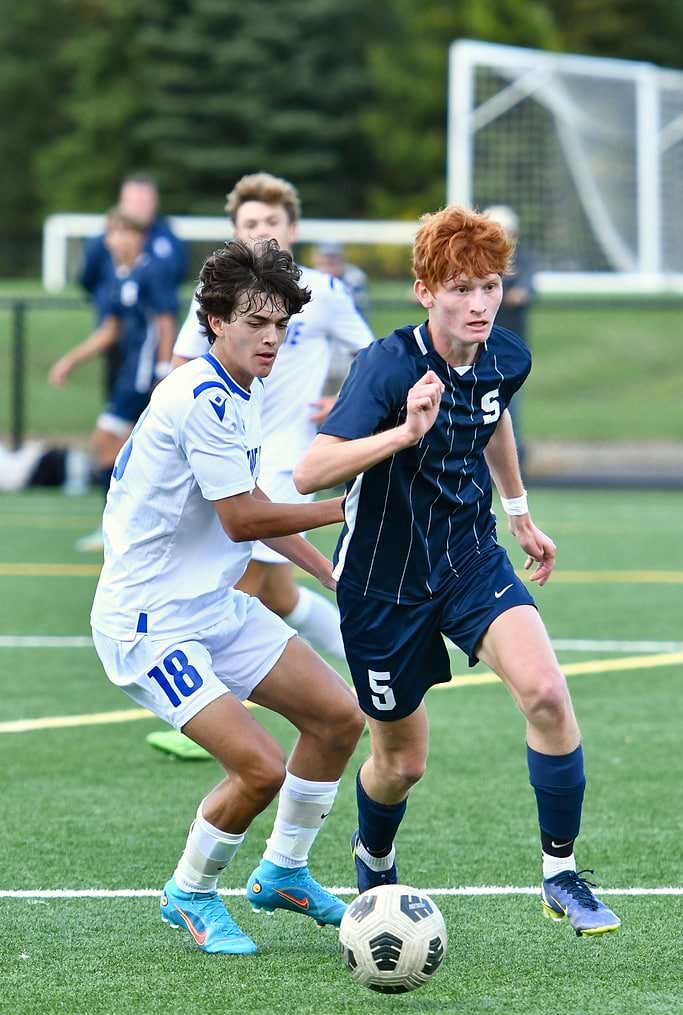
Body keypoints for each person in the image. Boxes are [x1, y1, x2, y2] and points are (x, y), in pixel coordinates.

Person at [293, 206, 622, 937]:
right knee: (401, 764)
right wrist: (403, 432)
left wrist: (519, 509)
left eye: (490, 286)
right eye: (461, 289)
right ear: (424, 291)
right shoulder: (386, 364)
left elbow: (493, 411)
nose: (479, 304)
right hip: (382, 581)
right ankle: (373, 856)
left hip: (470, 558)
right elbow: (309, 470)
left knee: (544, 691)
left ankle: (560, 873)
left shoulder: (506, 354)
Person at [90, 239, 364, 955]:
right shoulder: (202, 395)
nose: (271, 339)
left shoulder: (241, 387)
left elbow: (259, 503)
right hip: (150, 625)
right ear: (215, 320)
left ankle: (285, 872)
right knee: (260, 766)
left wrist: (331, 575)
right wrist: (345, 509)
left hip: (210, 607)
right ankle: (189, 891)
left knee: (338, 718)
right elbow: (243, 518)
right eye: (255, 323)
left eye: (280, 326)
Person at [173, 173, 374, 661]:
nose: (261, 231)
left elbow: (370, 361)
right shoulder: (219, 295)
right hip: (227, 454)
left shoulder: (323, 291)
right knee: (280, 596)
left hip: (286, 458)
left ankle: (205, 709)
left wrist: (344, 404)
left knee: (237, 585)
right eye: (249, 223)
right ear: (234, 233)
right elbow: (181, 365)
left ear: (293, 229)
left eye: (271, 221)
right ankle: (375, 667)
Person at [49, 208, 179, 550]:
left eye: (123, 232)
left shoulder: (154, 271)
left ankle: (118, 526)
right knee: (129, 449)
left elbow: (166, 323)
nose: (115, 239)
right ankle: (128, 524)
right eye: (111, 232)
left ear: (139, 238)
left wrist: (164, 372)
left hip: (145, 376)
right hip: (130, 374)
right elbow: (111, 329)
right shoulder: (120, 277)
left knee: (106, 440)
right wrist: (71, 360)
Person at [80, 173, 187, 397]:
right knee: (116, 398)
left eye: (144, 201)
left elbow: (176, 279)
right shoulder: (103, 241)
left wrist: (163, 366)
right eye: (134, 201)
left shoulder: (166, 237)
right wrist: (114, 300)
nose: (139, 208)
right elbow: (87, 279)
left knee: (135, 412)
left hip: (150, 338)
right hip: (117, 332)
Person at [483, 206, 535, 464]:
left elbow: (525, 289)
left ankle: (512, 459)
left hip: (508, 347)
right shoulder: (478, 259)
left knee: (506, 405)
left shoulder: (522, 259)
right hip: (478, 346)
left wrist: (518, 293)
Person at [313, 241, 370, 319]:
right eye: (326, 257)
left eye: (333, 256)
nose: (330, 261)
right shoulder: (312, 277)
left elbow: (355, 308)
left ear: (342, 258)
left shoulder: (355, 277)